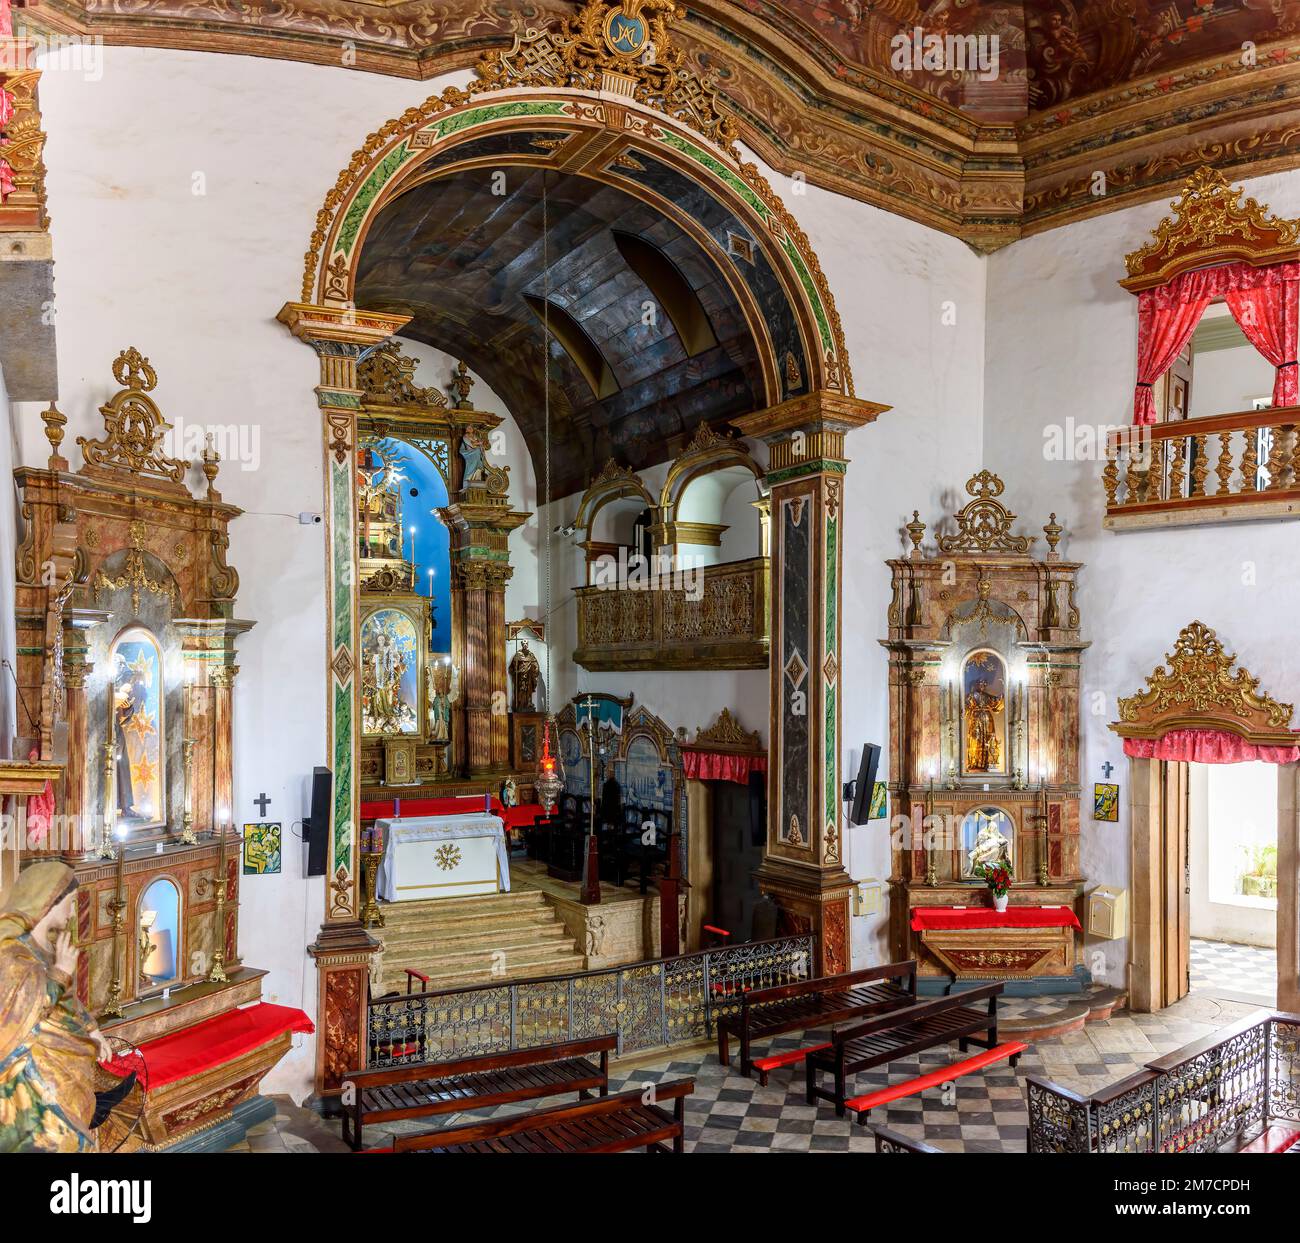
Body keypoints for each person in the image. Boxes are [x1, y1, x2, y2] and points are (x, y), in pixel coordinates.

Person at [0, 862, 116, 1151]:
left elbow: (65, 1000)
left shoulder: (46, 948)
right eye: (70, 904)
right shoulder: (12, 954)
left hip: (59, 1063)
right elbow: (27, 1008)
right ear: (49, 902)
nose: (73, 913)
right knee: (55, 1138)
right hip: (29, 1076)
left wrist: (91, 1028)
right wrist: (61, 971)